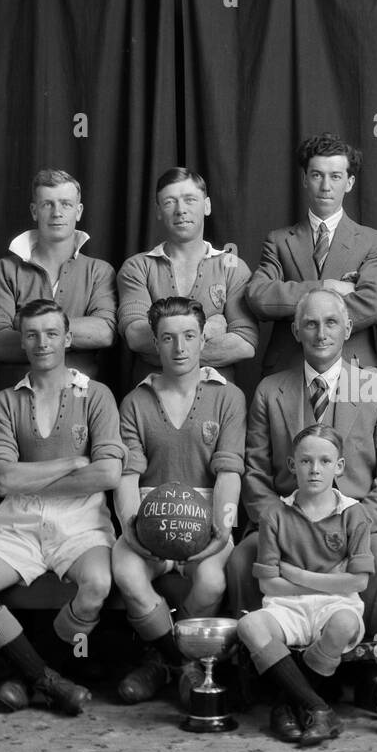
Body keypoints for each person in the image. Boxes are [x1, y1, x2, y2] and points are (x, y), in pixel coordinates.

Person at [228, 287, 377, 690]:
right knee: (242, 559)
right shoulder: (270, 390)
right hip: (285, 521)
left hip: (359, 526)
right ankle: (258, 670)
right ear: (295, 330)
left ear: (348, 327)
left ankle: (373, 670)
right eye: (310, 323)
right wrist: (286, 525)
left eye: (330, 322)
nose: (320, 332)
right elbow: (255, 473)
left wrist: (351, 525)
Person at [0, 298, 125, 715]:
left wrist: (34, 473)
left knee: (98, 585)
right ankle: (46, 680)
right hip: (19, 522)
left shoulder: (97, 395)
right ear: (22, 342)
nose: (42, 343)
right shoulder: (4, 402)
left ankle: (32, 673)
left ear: (67, 338)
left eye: (51, 333)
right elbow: (4, 479)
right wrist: (70, 462)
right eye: (31, 335)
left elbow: (107, 475)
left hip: (82, 522)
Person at [113, 297, 246, 705]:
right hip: (148, 512)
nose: (180, 347)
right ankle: (180, 664)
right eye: (168, 338)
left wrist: (221, 530)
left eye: (189, 336)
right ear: (155, 343)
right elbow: (127, 476)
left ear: (203, 338)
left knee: (212, 581)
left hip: (204, 513)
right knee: (128, 575)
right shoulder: (135, 400)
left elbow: (228, 474)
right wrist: (132, 530)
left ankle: (162, 659)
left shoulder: (228, 397)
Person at [236, 424, 375, 746]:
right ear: (291, 465)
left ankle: (287, 704)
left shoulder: (354, 513)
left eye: (325, 461)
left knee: (341, 625)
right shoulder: (275, 515)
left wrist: (298, 576)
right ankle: (317, 708)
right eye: (305, 461)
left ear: (339, 467)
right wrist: (331, 581)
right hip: (287, 607)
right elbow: (270, 586)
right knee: (250, 625)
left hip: (337, 606)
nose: (315, 470)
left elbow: (358, 581)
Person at [247, 133, 377, 374]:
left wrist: (297, 307)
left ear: (350, 182)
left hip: (355, 369)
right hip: (288, 368)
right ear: (305, 179)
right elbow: (259, 297)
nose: (326, 186)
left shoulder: (373, 242)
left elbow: (373, 304)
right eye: (317, 175)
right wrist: (328, 286)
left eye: (335, 176)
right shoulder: (278, 240)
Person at [117, 167, 257, 384]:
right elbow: (135, 336)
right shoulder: (138, 267)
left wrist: (162, 344)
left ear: (207, 206)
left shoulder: (233, 267)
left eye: (190, 199)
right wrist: (209, 328)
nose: (180, 210)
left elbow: (244, 345)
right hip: (151, 400)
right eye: (170, 202)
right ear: (158, 210)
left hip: (218, 403)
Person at [0, 169, 117, 384]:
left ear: (78, 211)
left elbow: (103, 333)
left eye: (66, 204)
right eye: (47, 204)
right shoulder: (5, 270)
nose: (57, 213)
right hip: (18, 400)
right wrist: (72, 335)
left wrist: (25, 326)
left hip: (82, 399)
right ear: (34, 211)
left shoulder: (99, 271)